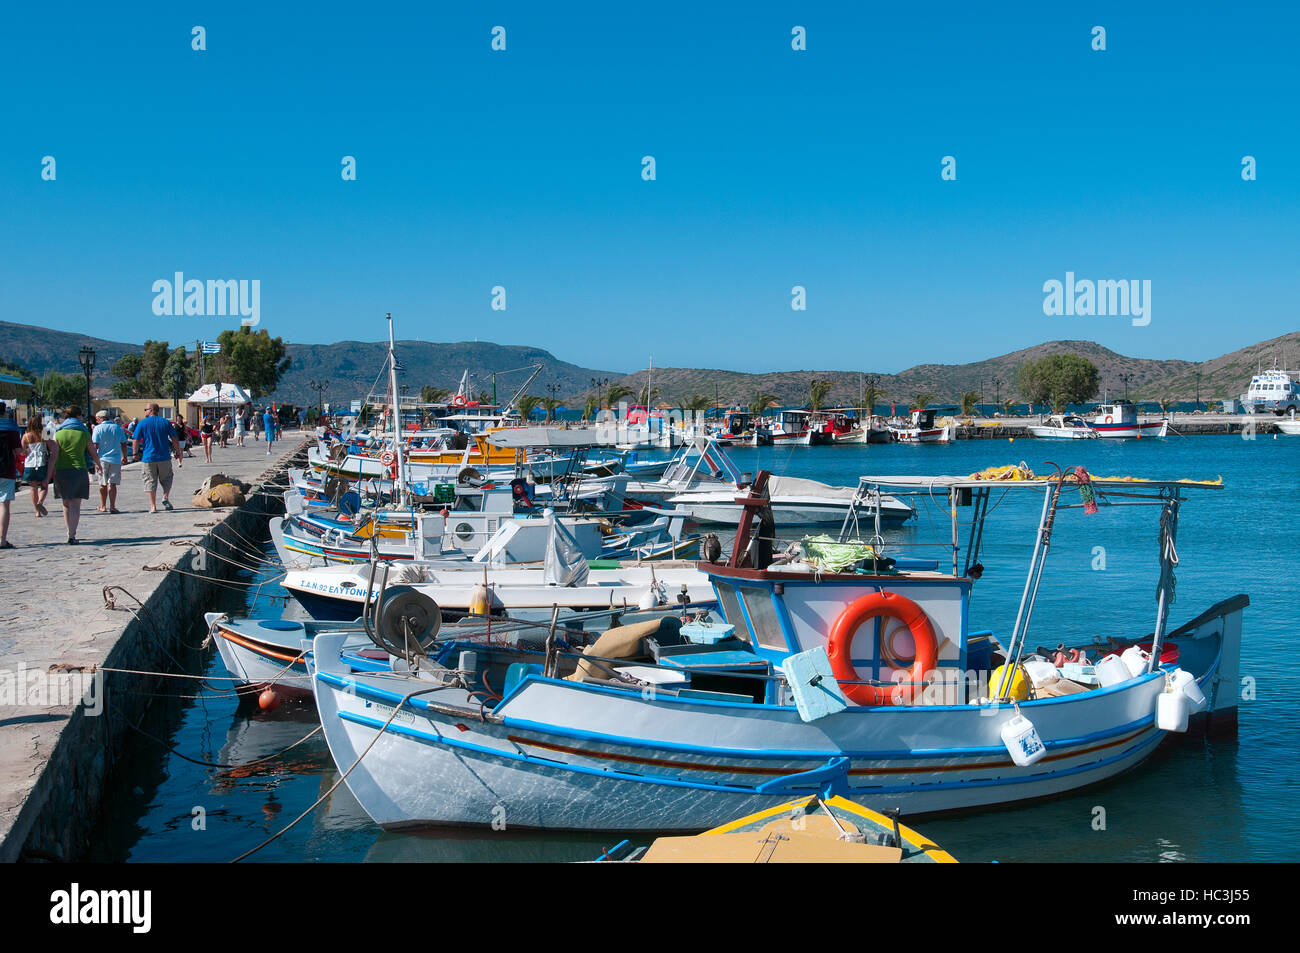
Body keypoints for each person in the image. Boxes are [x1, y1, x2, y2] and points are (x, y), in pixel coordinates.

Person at [52, 405, 99, 544]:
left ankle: (69, 531)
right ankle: (72, 534)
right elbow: (92, 452)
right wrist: (99, 464)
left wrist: (49, 472)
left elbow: (54, 455)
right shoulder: (84, 433)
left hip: (61, 470)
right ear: (78, 416)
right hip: (79, 469)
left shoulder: (58, 433)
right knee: (76, 505)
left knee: (66, 503)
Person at [132, 402, 183, 513]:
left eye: (145, 409)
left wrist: (135, 454)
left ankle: (153, 506)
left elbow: (135, 440)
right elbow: (174, 437)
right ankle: (165, 496)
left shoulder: (142, 423)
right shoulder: (165, 422)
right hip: (164, 456)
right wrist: (178, 451)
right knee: (167, 478)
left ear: (150, 410)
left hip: (148, 457)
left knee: (150, 481)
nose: (145, 411)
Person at [92, 409, 129, 514]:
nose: (96, 421)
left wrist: (94, 459)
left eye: (97, 419)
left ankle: (103, 506)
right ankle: (112, 506)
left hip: (102, 459)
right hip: (115, 459)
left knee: (102, 484)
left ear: (101, 418)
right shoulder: (118, 428)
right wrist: (124, 456)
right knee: (112, 484)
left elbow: (95, 445)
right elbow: (123, 443)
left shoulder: (98, 429)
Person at [21, 413, 54, 517]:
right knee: (44, 486)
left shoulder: (26, 436)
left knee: (33, 488)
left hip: (29, 464)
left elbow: (22, 452)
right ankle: (40, 502)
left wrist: (27, 451)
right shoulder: (45, 433)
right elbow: (51, 448)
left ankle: (37, 511)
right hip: (42, 463)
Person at [0, 402, 21, 549]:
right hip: (6, 470)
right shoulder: (11, 430)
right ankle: (2, 540)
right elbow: (19, 451)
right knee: (4, 505)